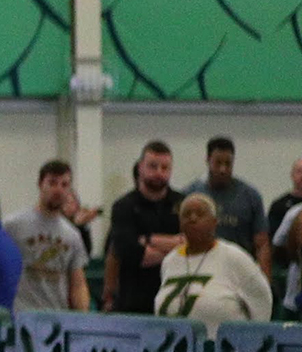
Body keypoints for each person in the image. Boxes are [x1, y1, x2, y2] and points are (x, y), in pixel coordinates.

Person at [155, 194, 271, 331]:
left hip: (223, 348)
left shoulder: (234, 257)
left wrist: (252, 343)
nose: (193, 218)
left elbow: (262, 301)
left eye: (200, 214)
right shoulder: (170, 261)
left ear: (214, 222)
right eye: (186, 214)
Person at [104, 142, 184, 314]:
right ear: (140, 167)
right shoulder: (123, 207)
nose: (159, 173)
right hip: (133, 304)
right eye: (153, 166)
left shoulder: (183, 204)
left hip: (175, 304)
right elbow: (130, 253)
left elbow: (191, 246)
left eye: (165, 168)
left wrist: (148, 240)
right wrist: (174, 246)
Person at [5, 160, 91, 312]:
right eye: (52, 183)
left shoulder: (72, 235)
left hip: (57, 318)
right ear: (40, 184)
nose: (58, 190)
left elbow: (78, 284)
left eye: (64, 185)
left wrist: (83, 317)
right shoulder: (12, 225)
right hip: (22, 314)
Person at [184, 137, 270, 276]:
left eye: (228, 164)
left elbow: (262, 244)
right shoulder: (191, 195)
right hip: (200, 270)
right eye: (218, 163)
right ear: (208, 160)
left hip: (240, 271)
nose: (223, 169)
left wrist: (266, 281)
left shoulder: (250, 196)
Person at [269, 157, 302, 274]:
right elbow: (274, 241)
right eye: (299, 171)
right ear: (292, 175)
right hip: (285, 266)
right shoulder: (280, 205)